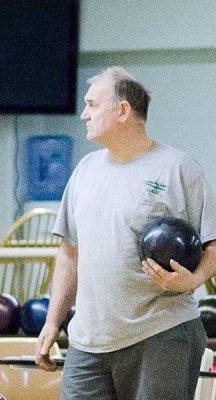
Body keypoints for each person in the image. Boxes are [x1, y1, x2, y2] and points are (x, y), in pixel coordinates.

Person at [35, 66, 216, 399]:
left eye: (92, 105)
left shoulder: (178, 168)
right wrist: (52, 322)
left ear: (122, 111)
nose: (83, 114)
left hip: (161, 333)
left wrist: (193, 280)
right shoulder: (84, 170)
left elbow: (213, 244)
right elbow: (69, 253)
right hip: (87, 342)